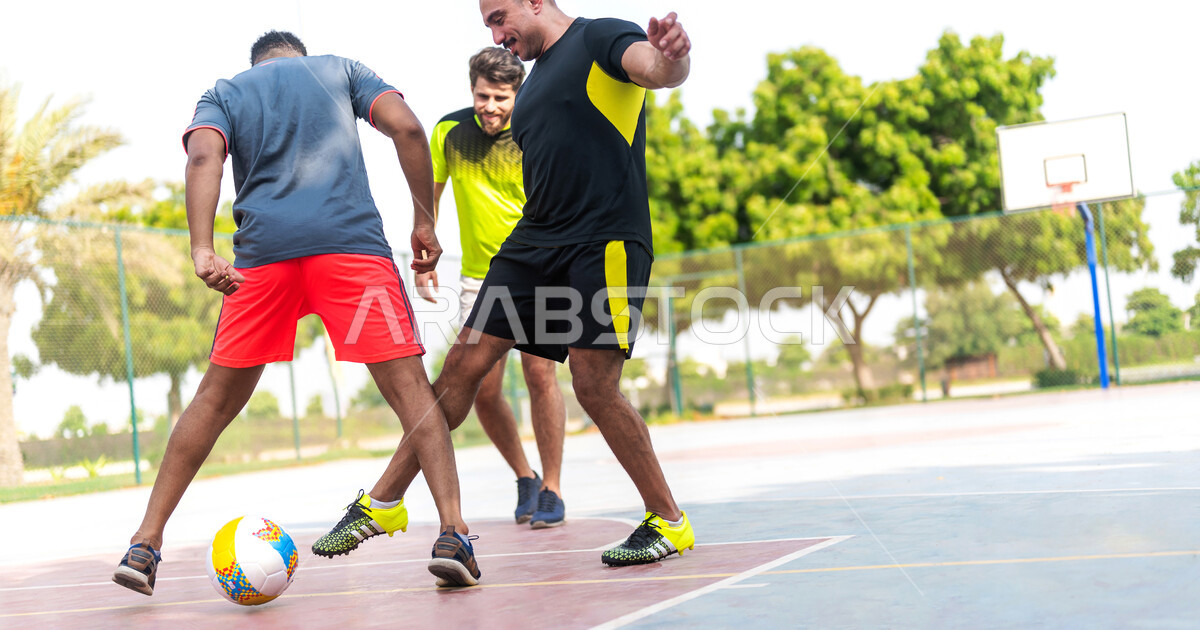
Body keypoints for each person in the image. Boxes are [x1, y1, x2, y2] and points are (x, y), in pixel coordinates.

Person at [317, 1, 696, 567]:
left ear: (536, 2)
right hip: (533, 242)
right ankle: (385, 501)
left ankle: (668, 520)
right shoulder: (535, 81)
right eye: (488, 25)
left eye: (500, 17)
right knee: (461, 368)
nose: (497, 34)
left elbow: (653, 69)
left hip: (602, 239)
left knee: (593, 385)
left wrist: (673, 59)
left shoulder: (600, 38)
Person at [111, 31, 481, 596]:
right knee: (410, 391)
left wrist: (202, 249)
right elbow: (407, 127)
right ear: (300, 57)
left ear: (258, 63)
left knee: (213, 400)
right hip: (350, 250)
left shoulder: (227, 91)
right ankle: (453, 535)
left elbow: (203, 154)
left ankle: (144, 543)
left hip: (264, 260)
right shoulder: (341, 71)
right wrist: (424, 220)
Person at [416, 47, 569, 529]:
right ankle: (524, 476)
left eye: (501, 97)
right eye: (483, 95)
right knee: (480, 389)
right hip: (480, 278)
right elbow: (429, 196)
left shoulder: (535, 133)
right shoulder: (448, 132)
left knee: (541, 374)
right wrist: (425, 247)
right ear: (472, 91)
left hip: (540, 269)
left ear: (517, 96)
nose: (491, 106)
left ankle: (552, 489)